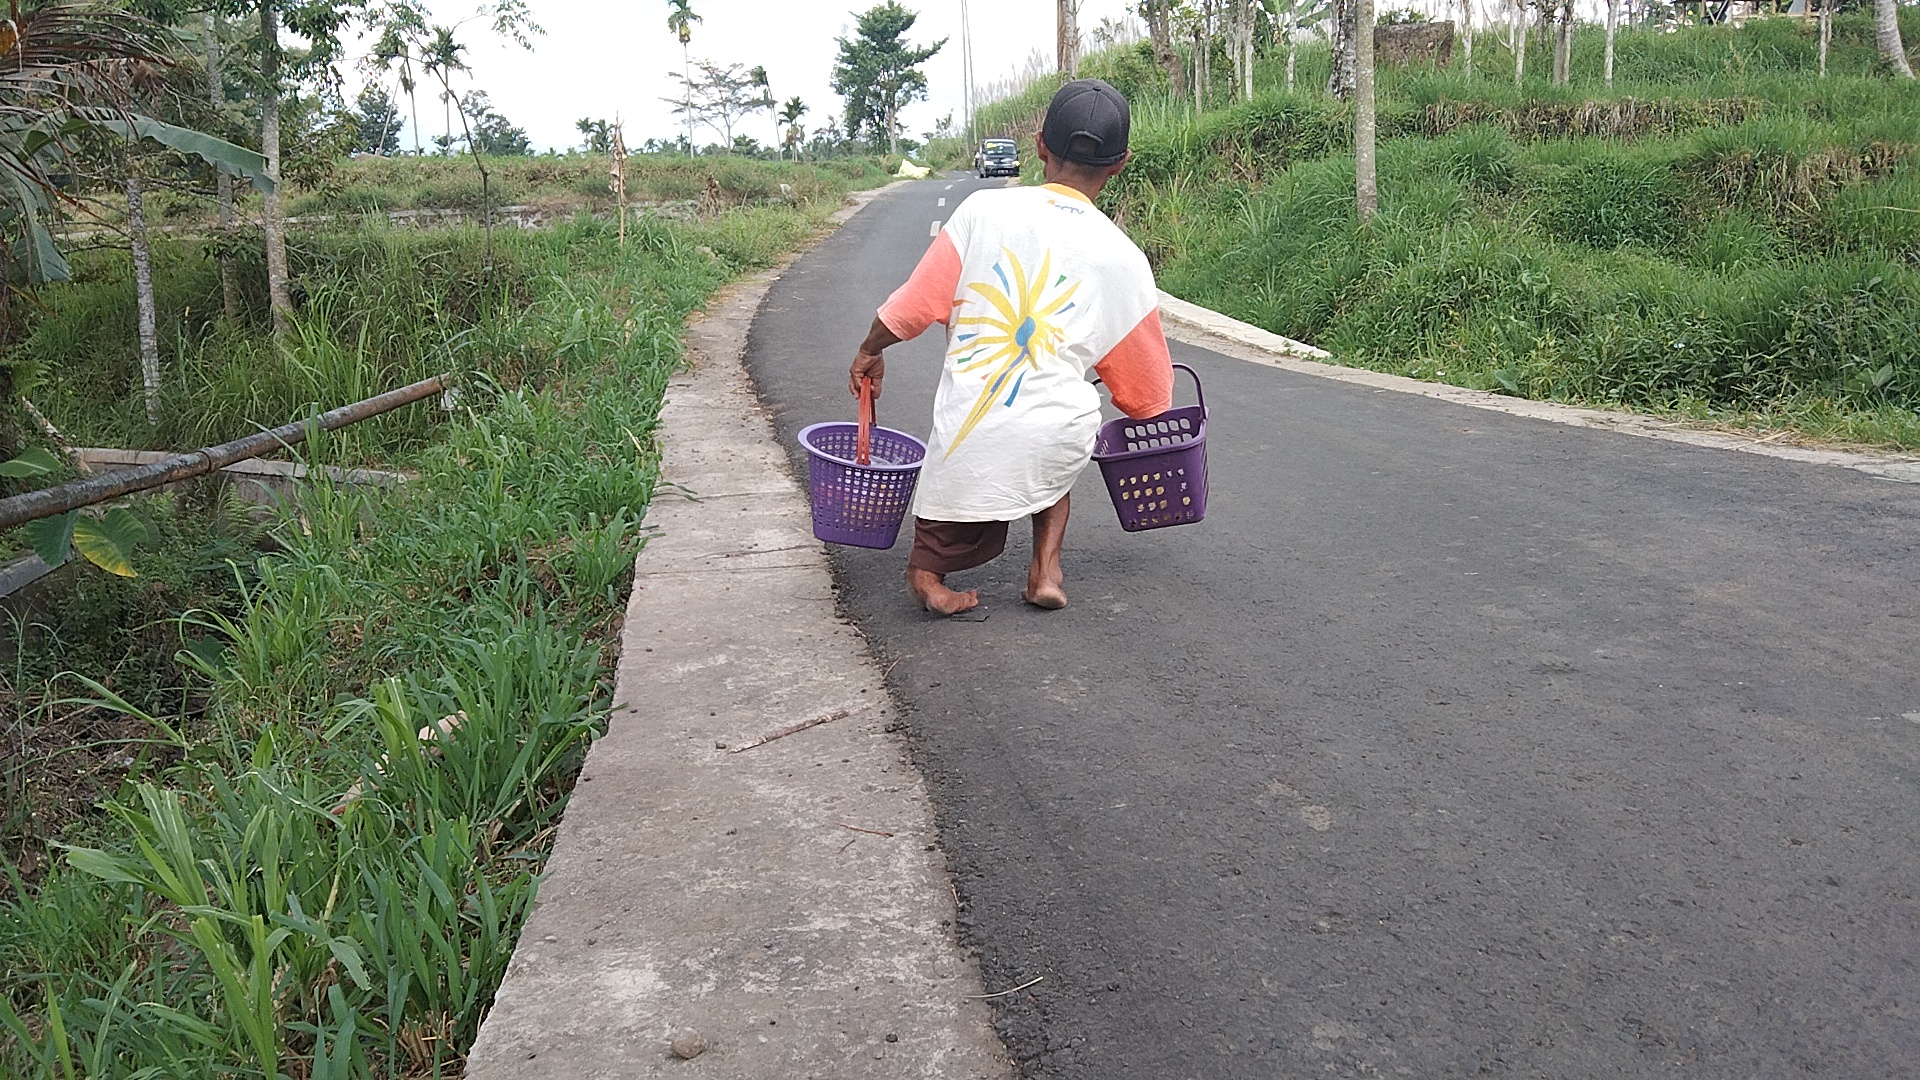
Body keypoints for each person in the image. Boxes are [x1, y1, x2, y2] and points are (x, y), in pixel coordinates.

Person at [848, 78, 1175, 615]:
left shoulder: (984, 212)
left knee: (955, 465)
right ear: (1121, 164)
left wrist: (868, 350)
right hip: (1056, 436)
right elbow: (1147, 392)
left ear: (1041, 144)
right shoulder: (1125, 258)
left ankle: (927, 576)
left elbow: (910, 308)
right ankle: (1045, 571)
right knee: (1059, 440)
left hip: (974, 433)